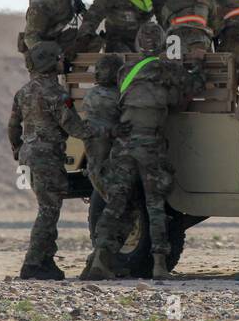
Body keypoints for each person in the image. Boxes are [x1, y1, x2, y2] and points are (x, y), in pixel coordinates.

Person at [85, 23, 202, 280]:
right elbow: (191, 90)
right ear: (162, 44)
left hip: (124, 145)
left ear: (138, 44)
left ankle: (99, 260)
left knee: (115, 203)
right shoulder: (167, 69)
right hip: (150, 145)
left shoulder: (125, 70)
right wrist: (196, 66)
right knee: (155, 205)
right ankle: (159, 265)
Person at [7, 41, 106, 280]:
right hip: (47, 155)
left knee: (48, 207)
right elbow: (72, 126)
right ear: (50, 62)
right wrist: (99, 130)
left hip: (29, 154)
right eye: (59, 58)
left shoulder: (24, 91)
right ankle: (33, 264)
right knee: (48, 210)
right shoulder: (56, 93)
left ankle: (46, 261)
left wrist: (18, 149)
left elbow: (12, 126)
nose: (63, 61)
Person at [79, 54, 125, 280]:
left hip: (94, 163)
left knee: (109, 208)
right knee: (116, 209)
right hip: (111, 161)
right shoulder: (116, 98)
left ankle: (96, 260)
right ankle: (100, 259)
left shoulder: (90, 95)